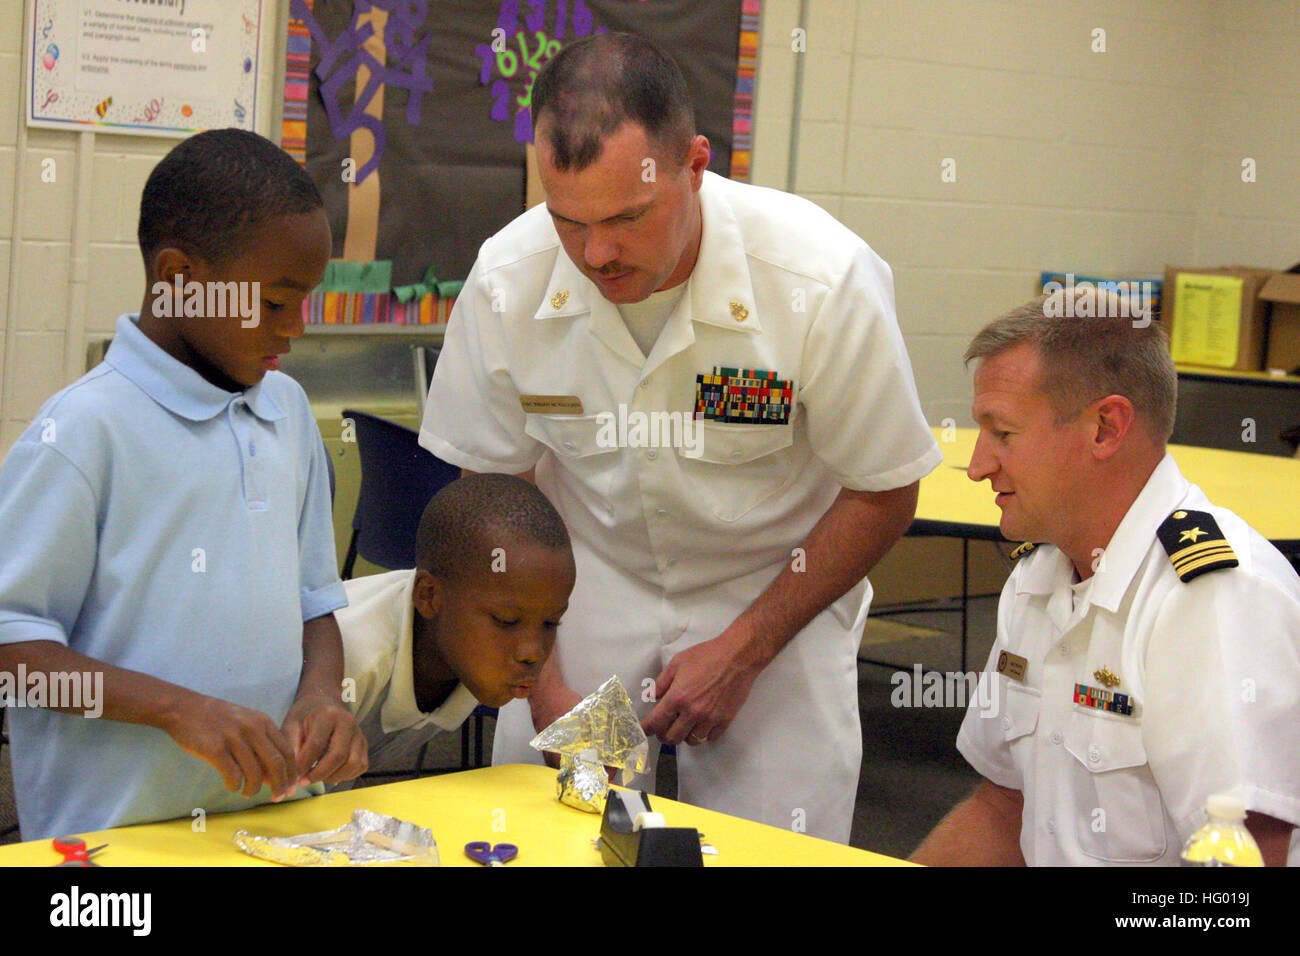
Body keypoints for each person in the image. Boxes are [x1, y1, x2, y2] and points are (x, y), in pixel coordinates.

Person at [419, 33, 940, 841]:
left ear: (694, 165)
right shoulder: (507, 279)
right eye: (568, 221)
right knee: (555, 839)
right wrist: (546, 688)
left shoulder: (819, 279)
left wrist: (747, 648)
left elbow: (883, 486)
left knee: (771, 848)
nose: (597, 254)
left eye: (628, 218)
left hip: (776, 591)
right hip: (582, 591)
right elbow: (490, 489)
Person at [0, 129, 367, 841]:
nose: (295, 329)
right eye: (274, 302)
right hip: (110, 845)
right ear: (176, 277)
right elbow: (13, 661)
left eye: (308, 300)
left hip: (270, 833)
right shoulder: (82, 433)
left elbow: (316, 603)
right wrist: (176, 709)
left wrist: (323, 697)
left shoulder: (286, 413)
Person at [911, 293, 1300, 866]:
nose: (977, 466)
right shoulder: (1040, 574)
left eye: (1003, 434)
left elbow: (1245, 866)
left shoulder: (1212, 595)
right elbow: (1003, 808)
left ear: (1105, 428)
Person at [336, 474, 575, 778]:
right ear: (429, 595)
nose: (533, 652)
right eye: (506, 621)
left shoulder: (463, 644)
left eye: (550, 622)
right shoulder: (351, 659)